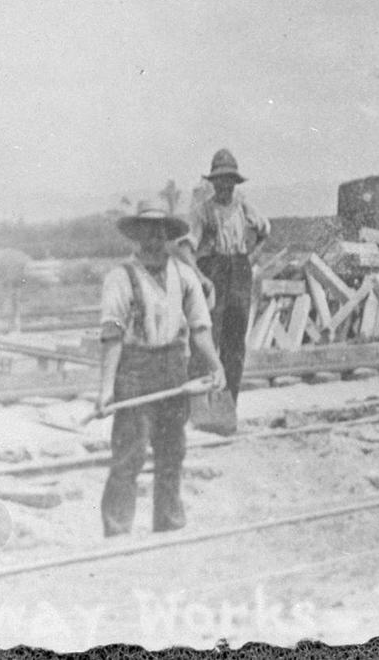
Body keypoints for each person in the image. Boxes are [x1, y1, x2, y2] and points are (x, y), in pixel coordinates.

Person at [97, 185, 224, 536]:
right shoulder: (120, 279)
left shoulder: (184, 276)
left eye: (160, 233)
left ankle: (168, 525)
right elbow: (111, 337)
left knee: (172, 454)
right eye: (146, 233)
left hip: (173, 369)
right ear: (136, 236)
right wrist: (107, 389)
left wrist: (216, 365)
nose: (153, 240)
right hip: (134, 371)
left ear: (168, 235)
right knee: (129, 456)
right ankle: (117, 530)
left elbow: (200, 327)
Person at [188, 149, 268, 398]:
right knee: (207, 337)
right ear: (214, 182)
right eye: (221, 180)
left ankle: (229, 400)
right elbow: (186, 247)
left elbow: (265, 231)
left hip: (239, 273)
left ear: (234, 182)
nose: (225, 186)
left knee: (235, 340)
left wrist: (251, 259)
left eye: (230, 181)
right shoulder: (203, 211)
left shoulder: (243, 206)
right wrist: (200, 278)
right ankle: (202, 400)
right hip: (213, 273)